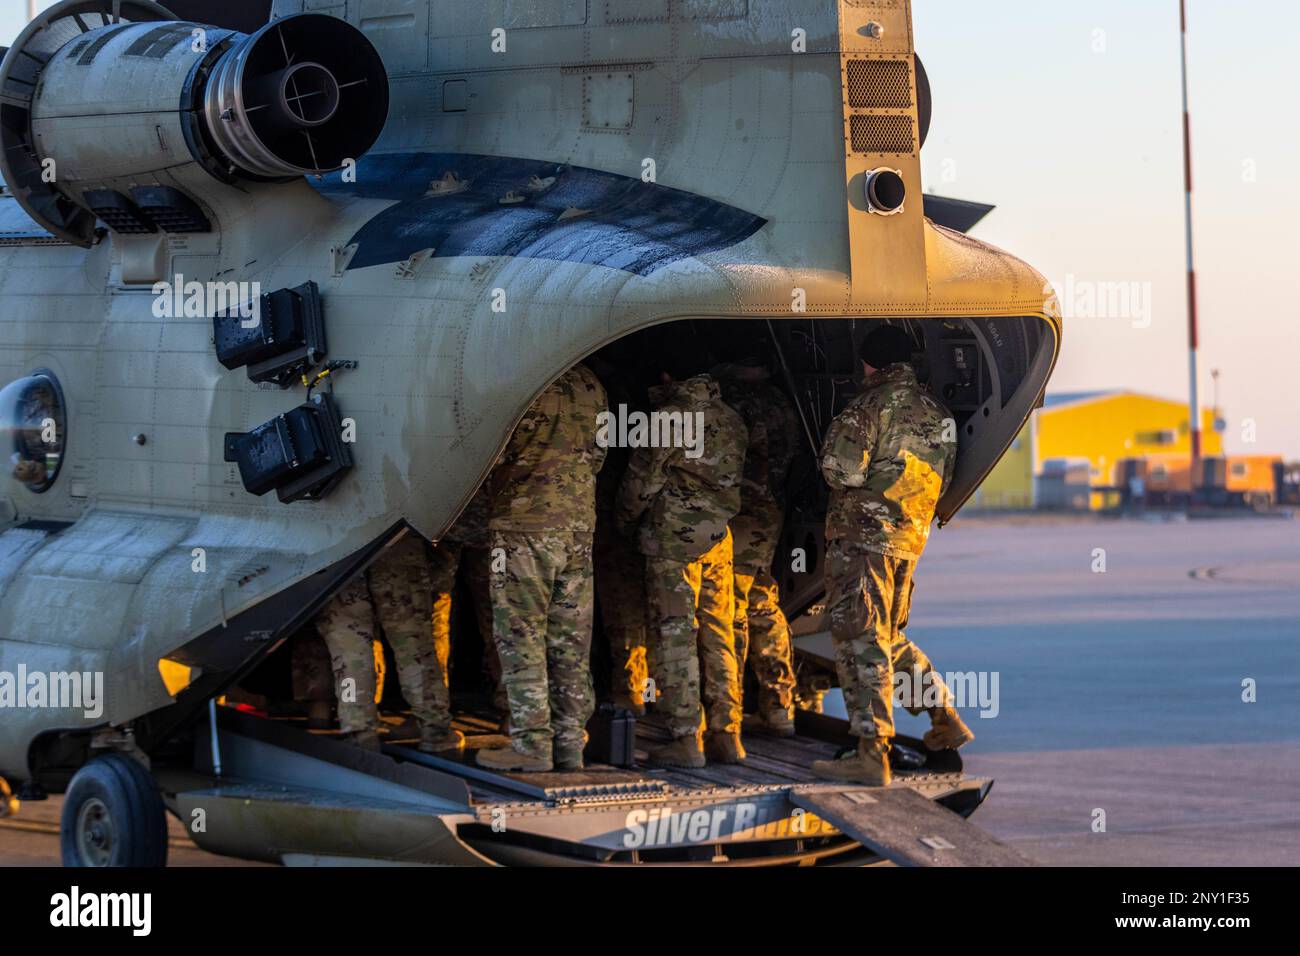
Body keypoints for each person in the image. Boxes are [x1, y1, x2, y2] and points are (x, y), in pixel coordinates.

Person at [811, 326, 973, 786]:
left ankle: (870, 752)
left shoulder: (869, 407)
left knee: (859, 638)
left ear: (870, 363)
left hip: (864, 540)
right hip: (908, 541)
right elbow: (945, 477)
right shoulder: (936, 412)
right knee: (884, 637)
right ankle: (943, 717)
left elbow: (839, 469)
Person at [477, 363, 608, 773]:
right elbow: (599, 454)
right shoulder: (591, 382)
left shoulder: (517, 378)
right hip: (578, 525)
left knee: (521, 635)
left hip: (523, 525)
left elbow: (486, 457)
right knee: (570, 638)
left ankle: (532, 744)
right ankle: (570, 745)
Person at [616, 367, 748, 768]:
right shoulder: (730, 417)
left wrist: (621, 522)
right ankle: (728, 735)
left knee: (675, 634)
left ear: (668, 375)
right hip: (718, 539)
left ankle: (686, 738)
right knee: (718, 633)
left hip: (674, 540)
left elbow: (642, 483)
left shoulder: (669, 418)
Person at [714, 359, 801, 737]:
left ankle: (729, 713)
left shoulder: (733, 402)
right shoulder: (781, 401)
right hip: (768, 511)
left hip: (740, 513)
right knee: (762, 603)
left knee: (729, 609)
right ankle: (779, 706)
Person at [314, 535, 464, 753]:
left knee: (348, 650)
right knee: (412, 643)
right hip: (395, 537)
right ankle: (435, 728)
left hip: (334, 544)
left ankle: (358, 728)